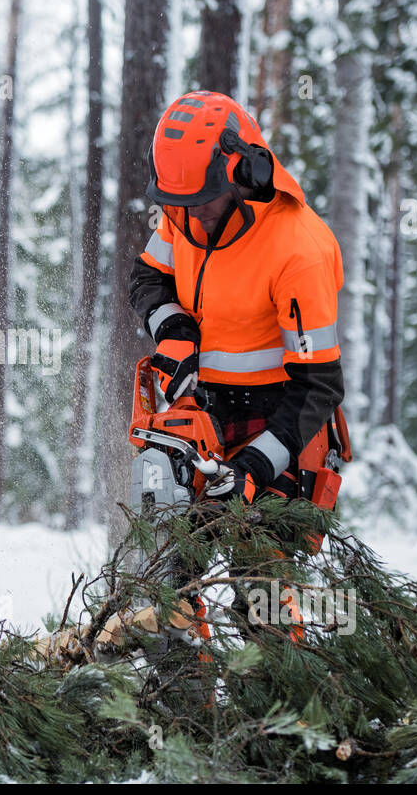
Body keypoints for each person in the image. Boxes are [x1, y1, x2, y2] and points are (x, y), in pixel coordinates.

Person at [130, 90, 345, 504]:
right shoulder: (184, 214)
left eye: (203, 201)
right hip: (205, 407)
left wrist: (253, 467)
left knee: (263, 561)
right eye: (181, 204)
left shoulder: (300, 252)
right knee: (170, 545)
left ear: (246, 173)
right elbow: (147, 278)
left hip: (283, 416)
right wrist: (173, 328)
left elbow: (320, 386)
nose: (193, 216)